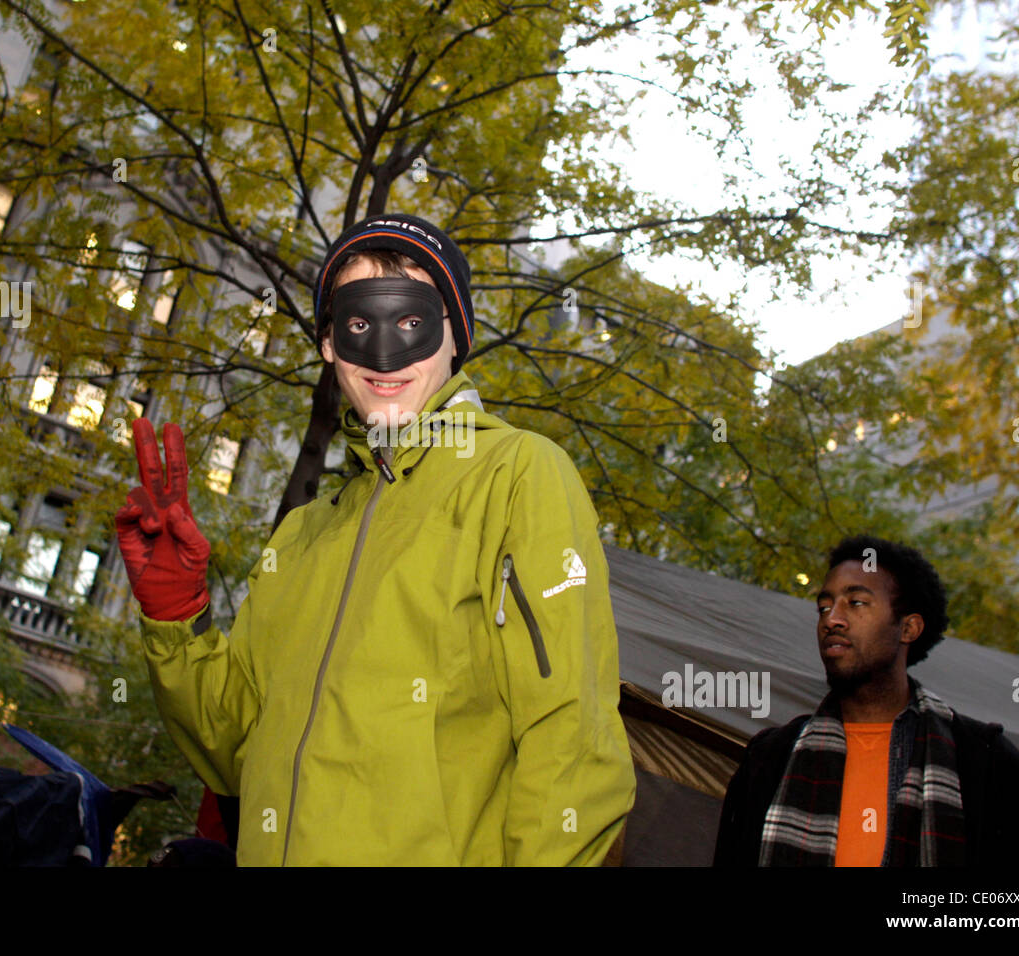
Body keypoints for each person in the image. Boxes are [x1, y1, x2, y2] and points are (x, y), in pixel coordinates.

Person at [115, 213, 636, 865]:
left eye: (413, 319)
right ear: (330, 347)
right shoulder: (307, 531)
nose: (385, 353)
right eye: (358, 323)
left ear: (455, 338)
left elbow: (573, 750)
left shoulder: (517, 477)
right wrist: (175, 616)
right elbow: (237, 749)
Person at [713, 535, 1019, 866]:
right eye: (824, 607)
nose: (832, 619)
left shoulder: (987, 763)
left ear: (909, 628)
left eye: (855, 602)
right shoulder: (770, 758)